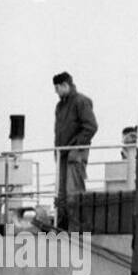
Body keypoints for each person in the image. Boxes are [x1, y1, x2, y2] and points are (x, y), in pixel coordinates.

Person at [53, 72, 98, 230]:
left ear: (65, 85)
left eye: (57, 88)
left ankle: (76, 229)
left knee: (73, 191)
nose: (56, 91)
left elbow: (91, 126)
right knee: (62, 194)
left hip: (74, 154)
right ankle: (63, 227)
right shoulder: (60, 106)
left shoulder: (81, 102)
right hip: (63, 155)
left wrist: (76, 147)